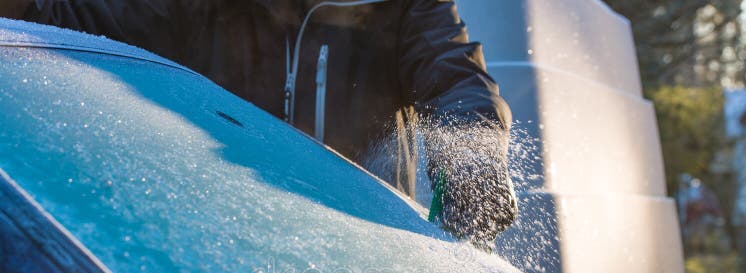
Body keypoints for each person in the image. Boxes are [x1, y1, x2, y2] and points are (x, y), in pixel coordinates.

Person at [2, 0, 517, 247]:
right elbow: (65, 18)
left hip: (365, 268)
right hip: (223, 259)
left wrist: (475, 157)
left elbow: (457, 79)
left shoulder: (404, 9)